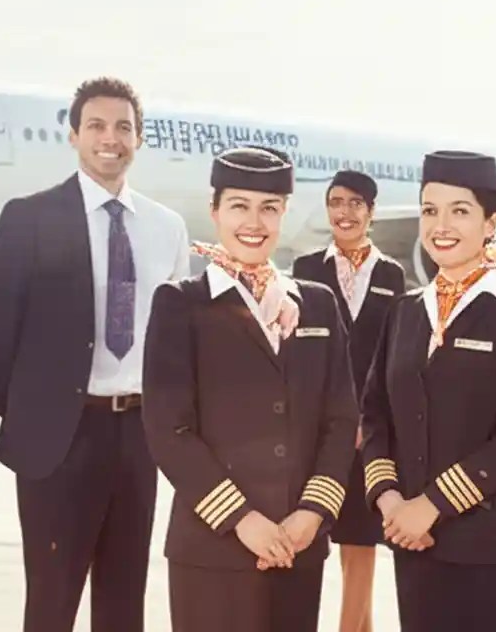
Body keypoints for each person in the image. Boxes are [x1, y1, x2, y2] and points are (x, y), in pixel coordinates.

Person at [0, 77, 191, 632]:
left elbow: (176, 344)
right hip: (60, 439)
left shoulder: (168, 229)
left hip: (139, 437)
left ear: (139, 139)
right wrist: (39, 411)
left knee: (124, 604)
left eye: (124, 127)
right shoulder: (29, 219)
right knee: (51, 603)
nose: (110, 138)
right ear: (74, 135)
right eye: (96, 125)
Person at [141, 147, 359, 632]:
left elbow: (341, 418)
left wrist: (313, 512)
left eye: (269, 207)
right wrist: (242, 519)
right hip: (213, 545)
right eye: (239, 206)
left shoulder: (318, 304)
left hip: (299, 546)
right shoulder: (181, 304)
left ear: (284, 213)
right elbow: (168, 429)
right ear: (214, 211)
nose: (253, 221)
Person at [359, 150, 496, 632]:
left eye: (460, 211)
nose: (441, 225)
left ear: (492, 223)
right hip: (411, 539)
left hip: (489, 545)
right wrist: (390, 503)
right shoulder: (406, 312)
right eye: (430, 210)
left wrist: (430, 506)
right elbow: (375, 415)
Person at [291, 169, 405, 632]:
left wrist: (372, 423)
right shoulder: (304, 271)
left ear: (372, 213)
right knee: (310, 541)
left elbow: (394, 357)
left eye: (356, 203)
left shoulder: (392, 275)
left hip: (368, 435)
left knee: (359, 547)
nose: (345, 212)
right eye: (336, 202)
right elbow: (297, 355)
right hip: (317, 432)